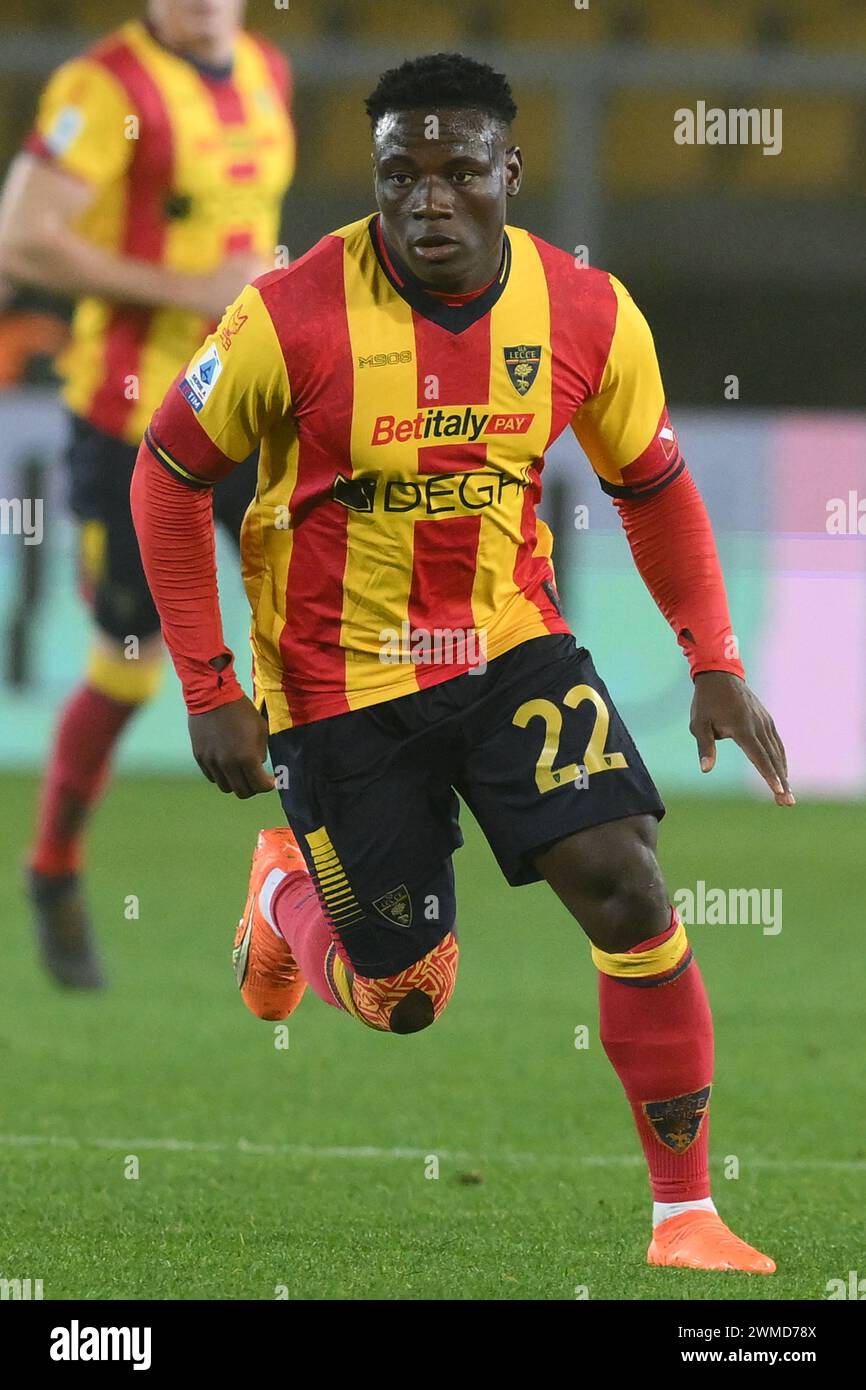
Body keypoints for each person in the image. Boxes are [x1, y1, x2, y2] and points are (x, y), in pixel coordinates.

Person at [131, 53, 793, 1273]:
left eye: (456, 173)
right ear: (374, 179)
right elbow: (168, 478)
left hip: (507, 645)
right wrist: (210, 683)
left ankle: (682, 1215)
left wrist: (712, 657)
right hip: (335, 681)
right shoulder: (284, 313)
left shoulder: (584, 311)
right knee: (404, 995)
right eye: (399, 175)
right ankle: (283, 891)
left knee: (626, 880)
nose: (427, 200)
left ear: (510, 174)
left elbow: (650, 483)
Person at [0, 0, 295, 986]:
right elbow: (24, 240)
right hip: (133, 424)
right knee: (127, 666)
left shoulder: (267, 72)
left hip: (248, 410)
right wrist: (188, 289)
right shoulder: (106, 87)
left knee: (320, 633)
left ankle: (316, 896)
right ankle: (52, 870)